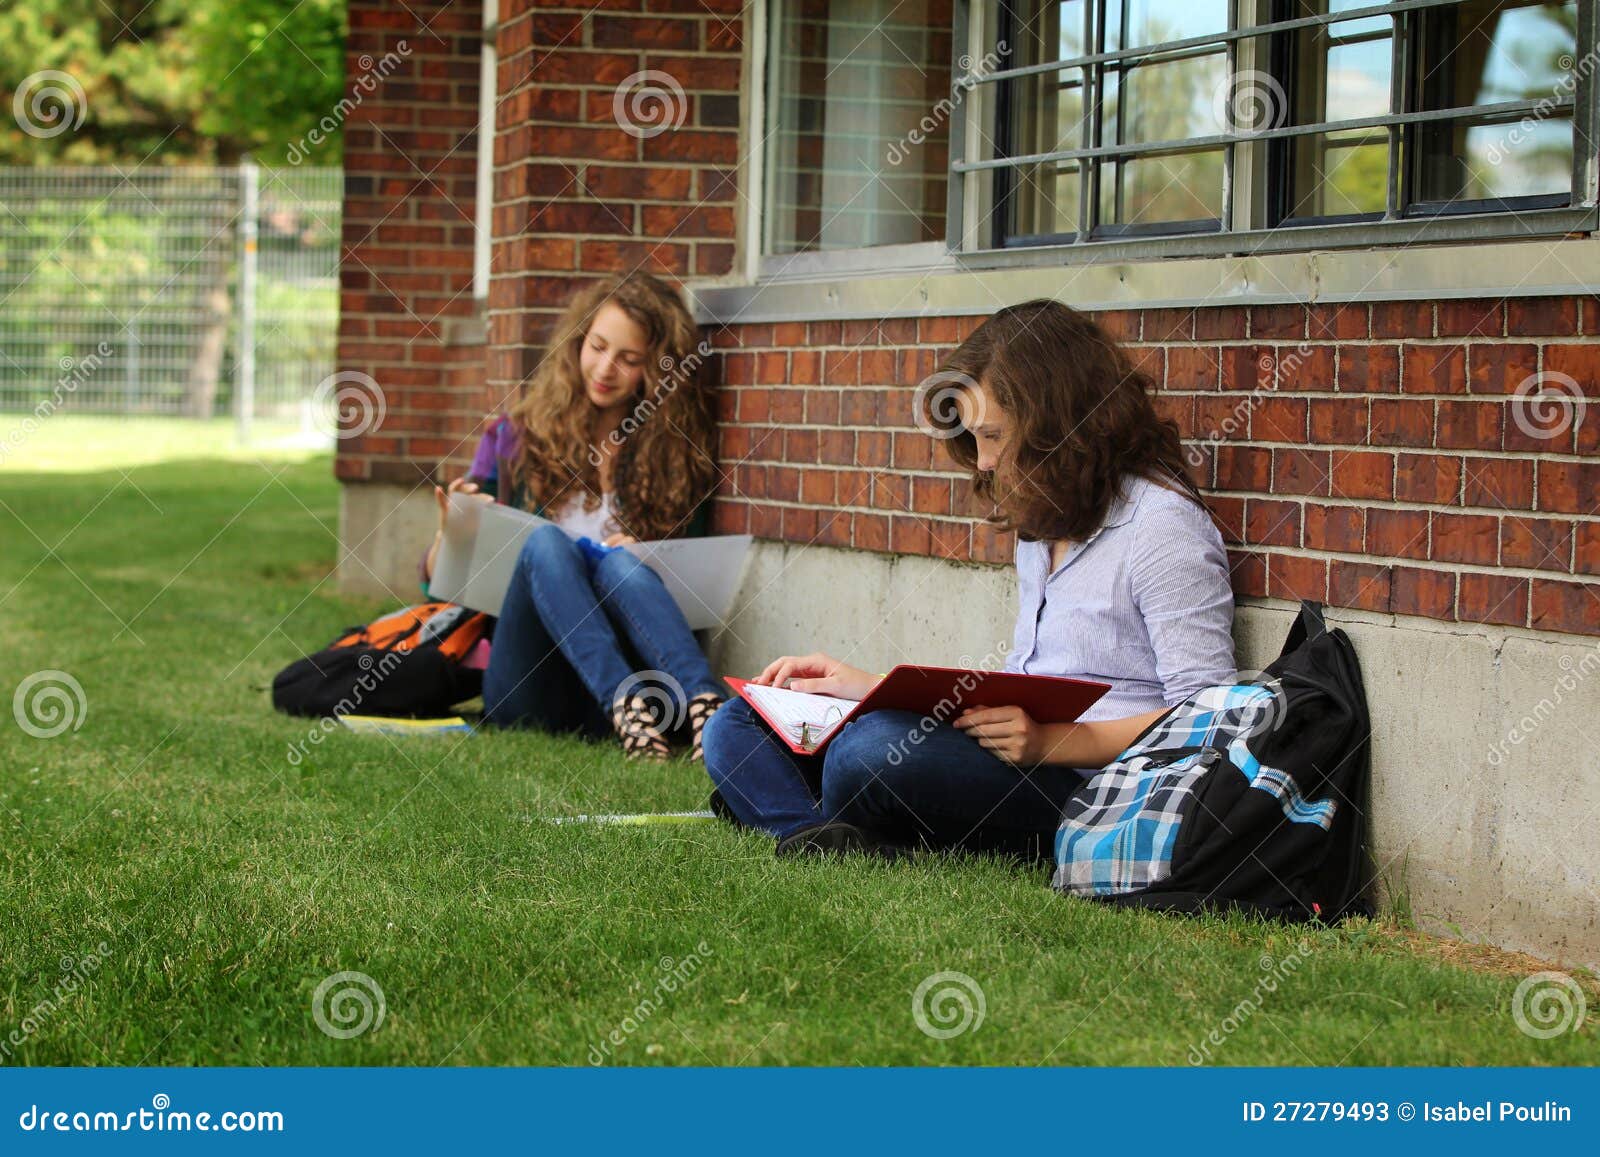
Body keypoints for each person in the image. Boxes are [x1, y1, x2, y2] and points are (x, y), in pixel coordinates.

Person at [702, 299, 1238, 857]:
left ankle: (780, 804)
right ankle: (808, 831)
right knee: (742, 721)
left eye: (994, 436)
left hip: (1088, 783)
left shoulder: (1161, 525)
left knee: (867, 751)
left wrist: (1054, 742)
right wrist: (864, 687)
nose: (982, 462)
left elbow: (1211, 716)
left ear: (1059, 426)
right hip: (1007, 749)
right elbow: (1021, 683)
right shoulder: (1045, 515)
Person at [419, 273, 725, 761]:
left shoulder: (678, 457)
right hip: (530, 683)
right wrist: (452, 531)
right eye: (597, 347)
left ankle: (707, 709)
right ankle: (623, 703)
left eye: (629, 360)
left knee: (621, 564)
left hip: (644, 684)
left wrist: (651, 560)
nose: (605, 369)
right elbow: (437, 585)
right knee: (546, 544)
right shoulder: (513, 437)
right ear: (577, 342)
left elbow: (701, 585)